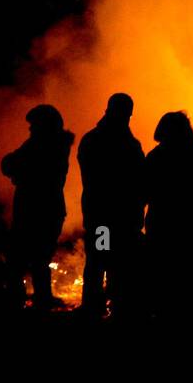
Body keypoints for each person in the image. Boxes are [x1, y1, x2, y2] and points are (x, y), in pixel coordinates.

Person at [144, 111, 193, 310]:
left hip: (162, 229)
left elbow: (141, 192)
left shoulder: (155, 158)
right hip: (191, 232)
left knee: (164, 284)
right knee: (189, 285)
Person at [77, 93, 146, 317]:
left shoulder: (92, 139)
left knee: (99, 262)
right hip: (119, 220)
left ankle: (93, 310)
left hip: (100, 217)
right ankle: (117, 313)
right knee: (115, 266)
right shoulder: (129, 145)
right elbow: (140, 183)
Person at [1, 104, 73, 309]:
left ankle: (19, 301)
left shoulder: (43, 145)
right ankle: (41, 300)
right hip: (48, 210)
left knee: (20, 258)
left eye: (34, 125)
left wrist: (19, 173)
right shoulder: (50, 144)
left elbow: (11, 164)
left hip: (35, 211)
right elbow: (14, 164)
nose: (31, 129)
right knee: (39, 258)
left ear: (45, 125)